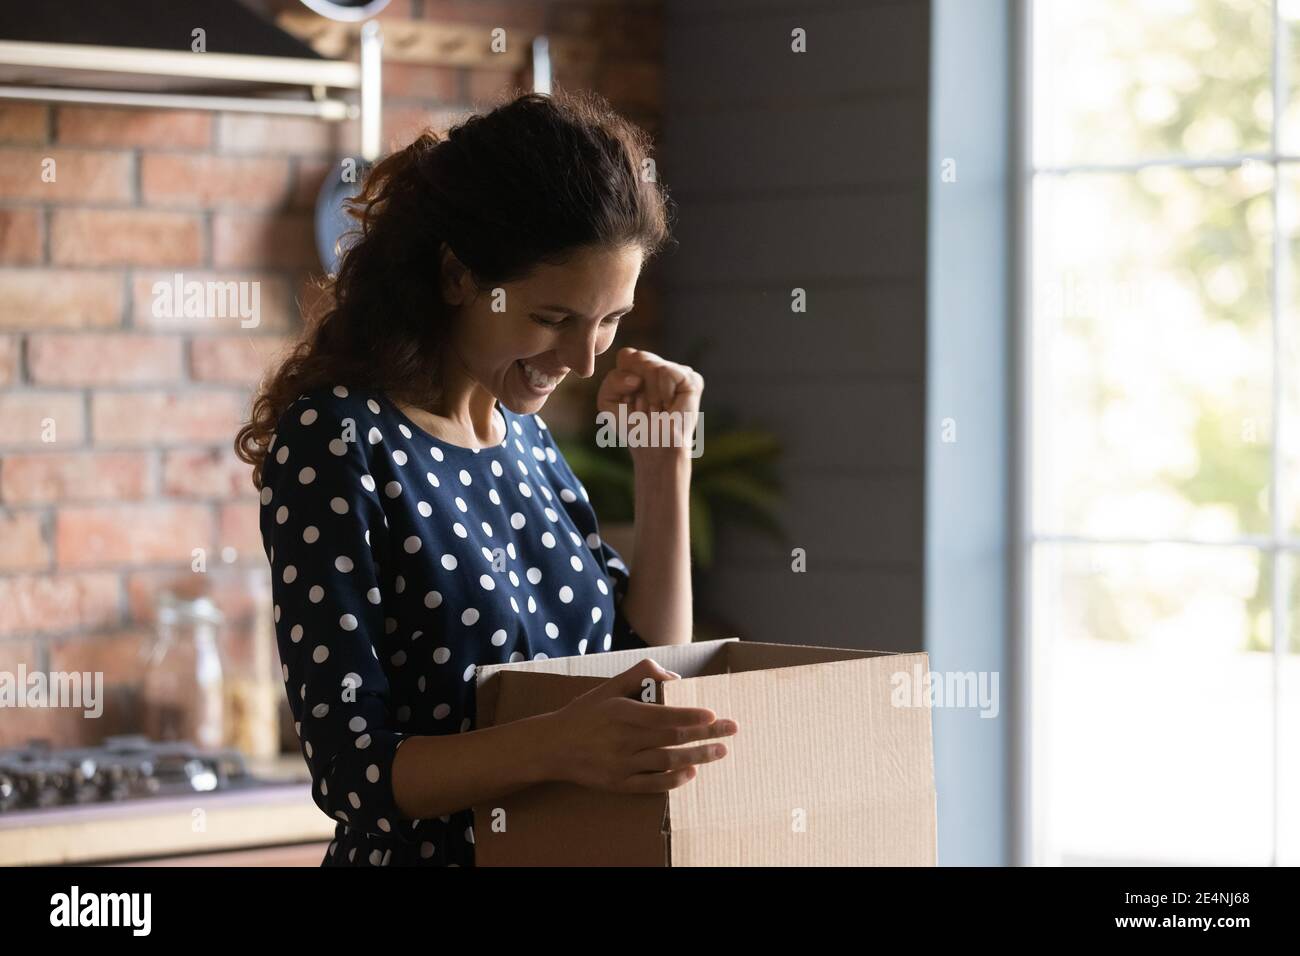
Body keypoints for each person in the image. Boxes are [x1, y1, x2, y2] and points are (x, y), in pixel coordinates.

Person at [234, 90, 738, 866]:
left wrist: (664, 459)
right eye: (554, 318)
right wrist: (554, 746)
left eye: (610, 320)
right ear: (458, 277)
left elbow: (644, 667)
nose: (584, 361)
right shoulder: (338, 439)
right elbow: (351, 769)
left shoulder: (525, 440)